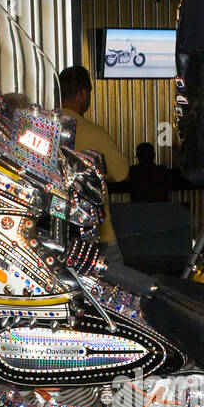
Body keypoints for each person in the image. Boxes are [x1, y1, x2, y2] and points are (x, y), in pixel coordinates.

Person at [58, 65, 129, 264]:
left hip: (52, 233)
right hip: (96, 234)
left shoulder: (43, 128)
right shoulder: (93, 132)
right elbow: (122, 172)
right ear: (82, 93)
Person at [109, 142, 187, 202]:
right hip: (162, 210)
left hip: (139, 211)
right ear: (153, 155)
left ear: (138, 157)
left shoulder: (134, 172)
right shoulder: (162, 171)